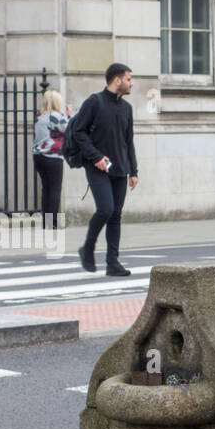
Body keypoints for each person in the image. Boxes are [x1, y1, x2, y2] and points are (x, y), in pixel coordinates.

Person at [70, 63, 139, 276]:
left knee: (116, 215)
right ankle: (88, 248)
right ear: (117, 80)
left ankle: (112, 262)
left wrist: (134, 171)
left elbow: (129, 141)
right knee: (105, 209)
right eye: (128, 79)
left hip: (120, 168)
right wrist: (96, 157)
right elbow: (79, 132)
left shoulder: (127, 108)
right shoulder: (94, 102)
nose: (131, 83)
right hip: (97, 167)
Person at [32, 90, 71, 232]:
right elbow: (70, 129)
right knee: (55, 189)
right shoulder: (56, 117)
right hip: (53, 156)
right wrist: (70, 115)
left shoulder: (39, 117)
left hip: (38, 156)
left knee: (46, 189)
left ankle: (46, 222)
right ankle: (53, 222)